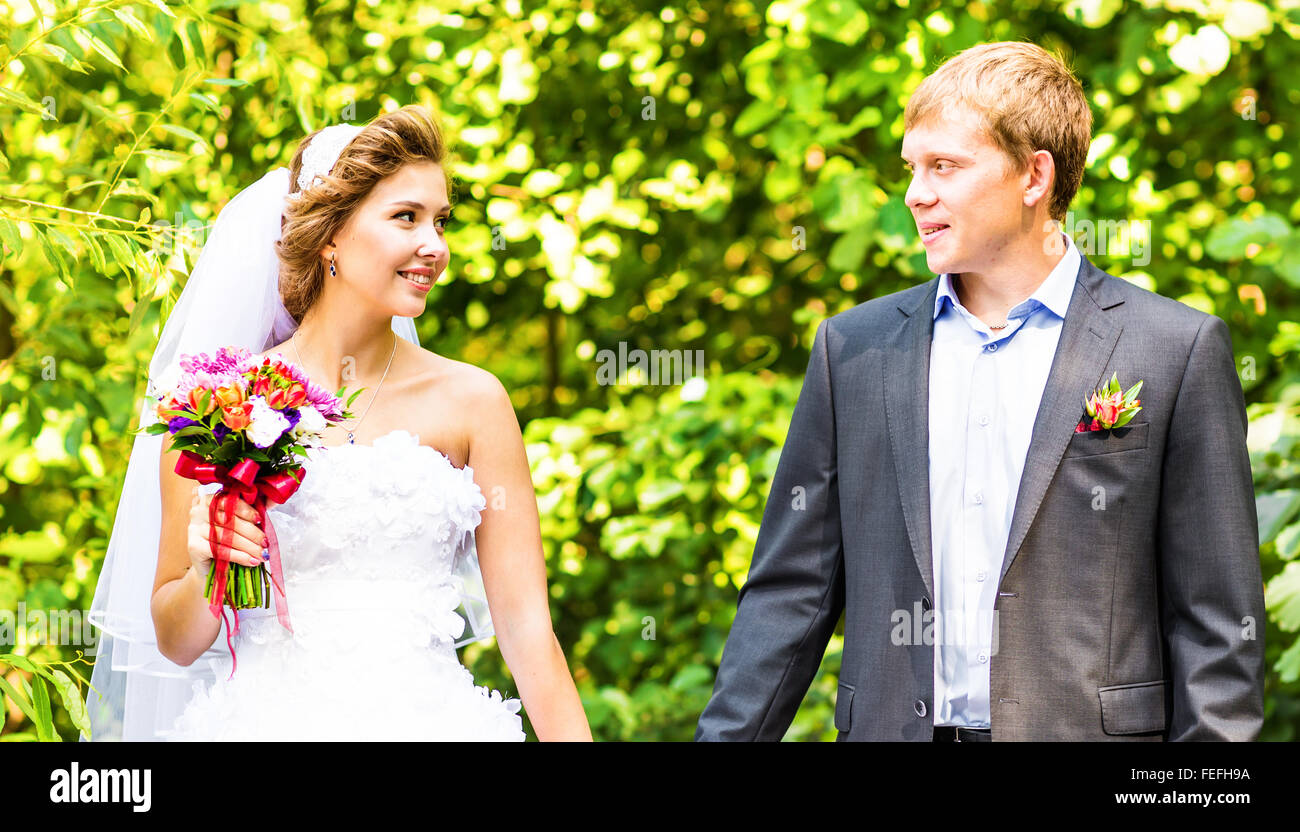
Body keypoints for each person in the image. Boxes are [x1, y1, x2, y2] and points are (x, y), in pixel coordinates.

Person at [696, 42, 1265, 741]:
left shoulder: (1173, 350)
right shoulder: (854, 351)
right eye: (912, 167)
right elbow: (789, 597)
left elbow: (1217, 628)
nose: (915, 193)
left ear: (1034, 175)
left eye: (945, 166)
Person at [84, 105, 592, 741]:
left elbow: (527, 634)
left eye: (441, 221)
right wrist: (210, 568)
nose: (434, 245)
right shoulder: (219, 407)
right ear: (331, 234)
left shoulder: (474, 401)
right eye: (406, 217)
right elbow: (177, 641)